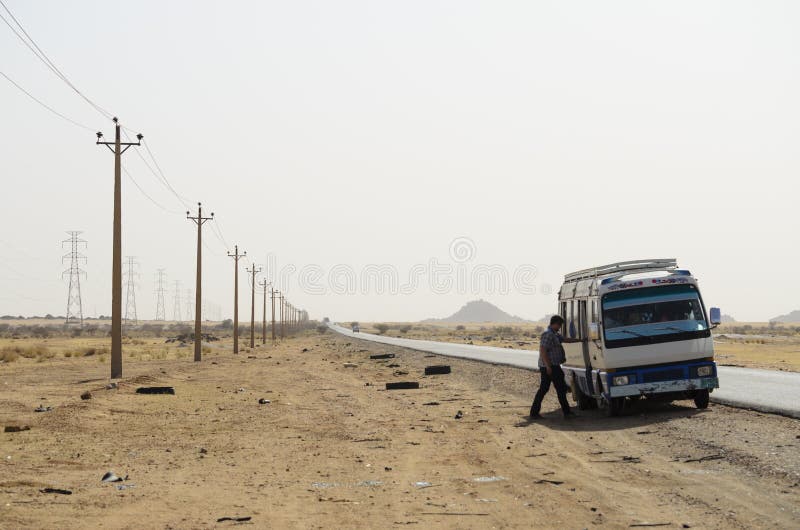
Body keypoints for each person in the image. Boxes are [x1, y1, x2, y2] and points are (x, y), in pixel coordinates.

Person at [529, 315, 584, 419]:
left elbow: (565, 339)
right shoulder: (548, 334)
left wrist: (580, 340)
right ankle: (565, 413)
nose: (559, 327)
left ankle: (536, 412)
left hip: (553, 366)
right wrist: (548, 366)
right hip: (550, 367)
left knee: (555, 388)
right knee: (553, 388)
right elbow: (543, 351)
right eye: (559, 325)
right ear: (554, 323)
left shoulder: (555, 334)